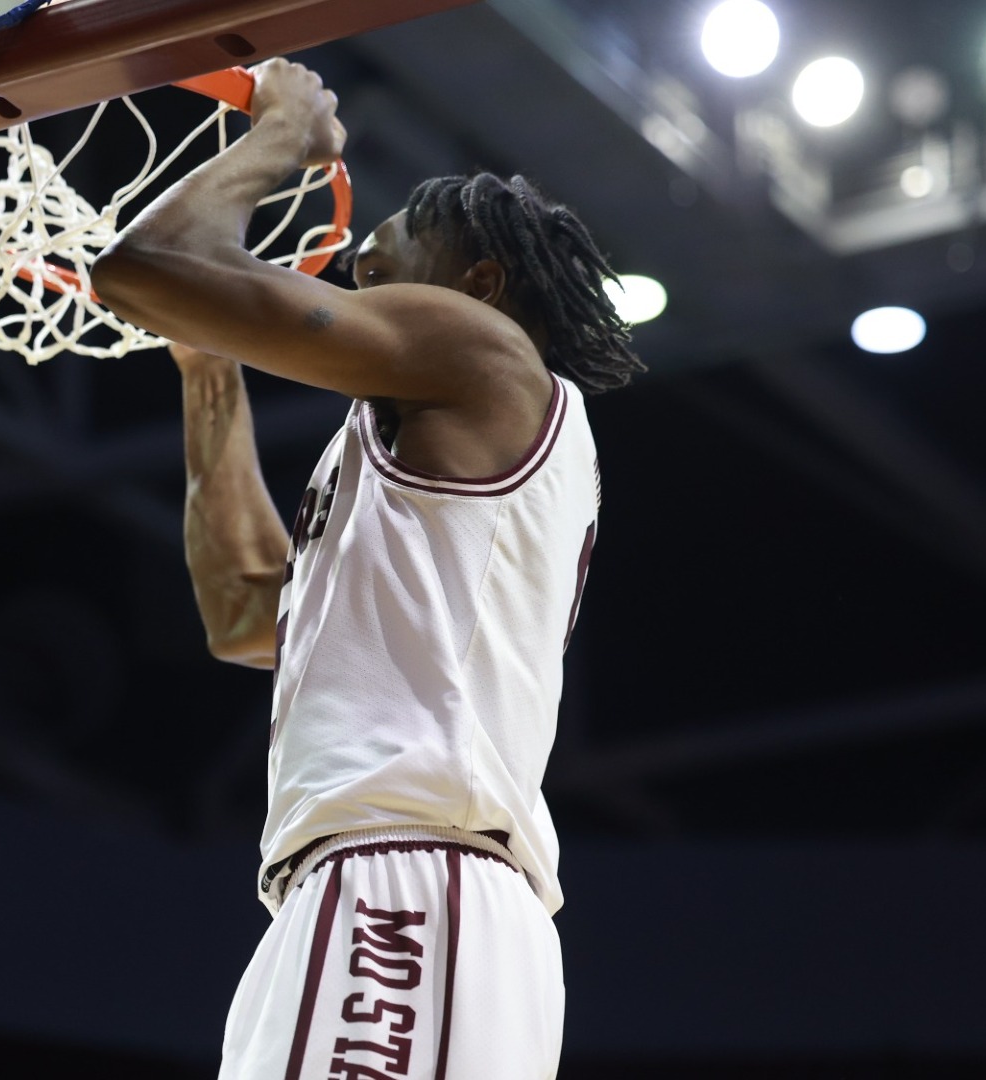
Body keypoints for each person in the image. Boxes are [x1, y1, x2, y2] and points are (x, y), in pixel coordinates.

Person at [90, 57, 642, 1080]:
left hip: (406, 882)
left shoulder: (483, 349)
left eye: (384, 267)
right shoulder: (428, 446)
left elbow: (142, 264)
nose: (357, 285)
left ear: (479, 284)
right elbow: (249, 616)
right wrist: (211, 373)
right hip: (407, 894)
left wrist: (281, 132)